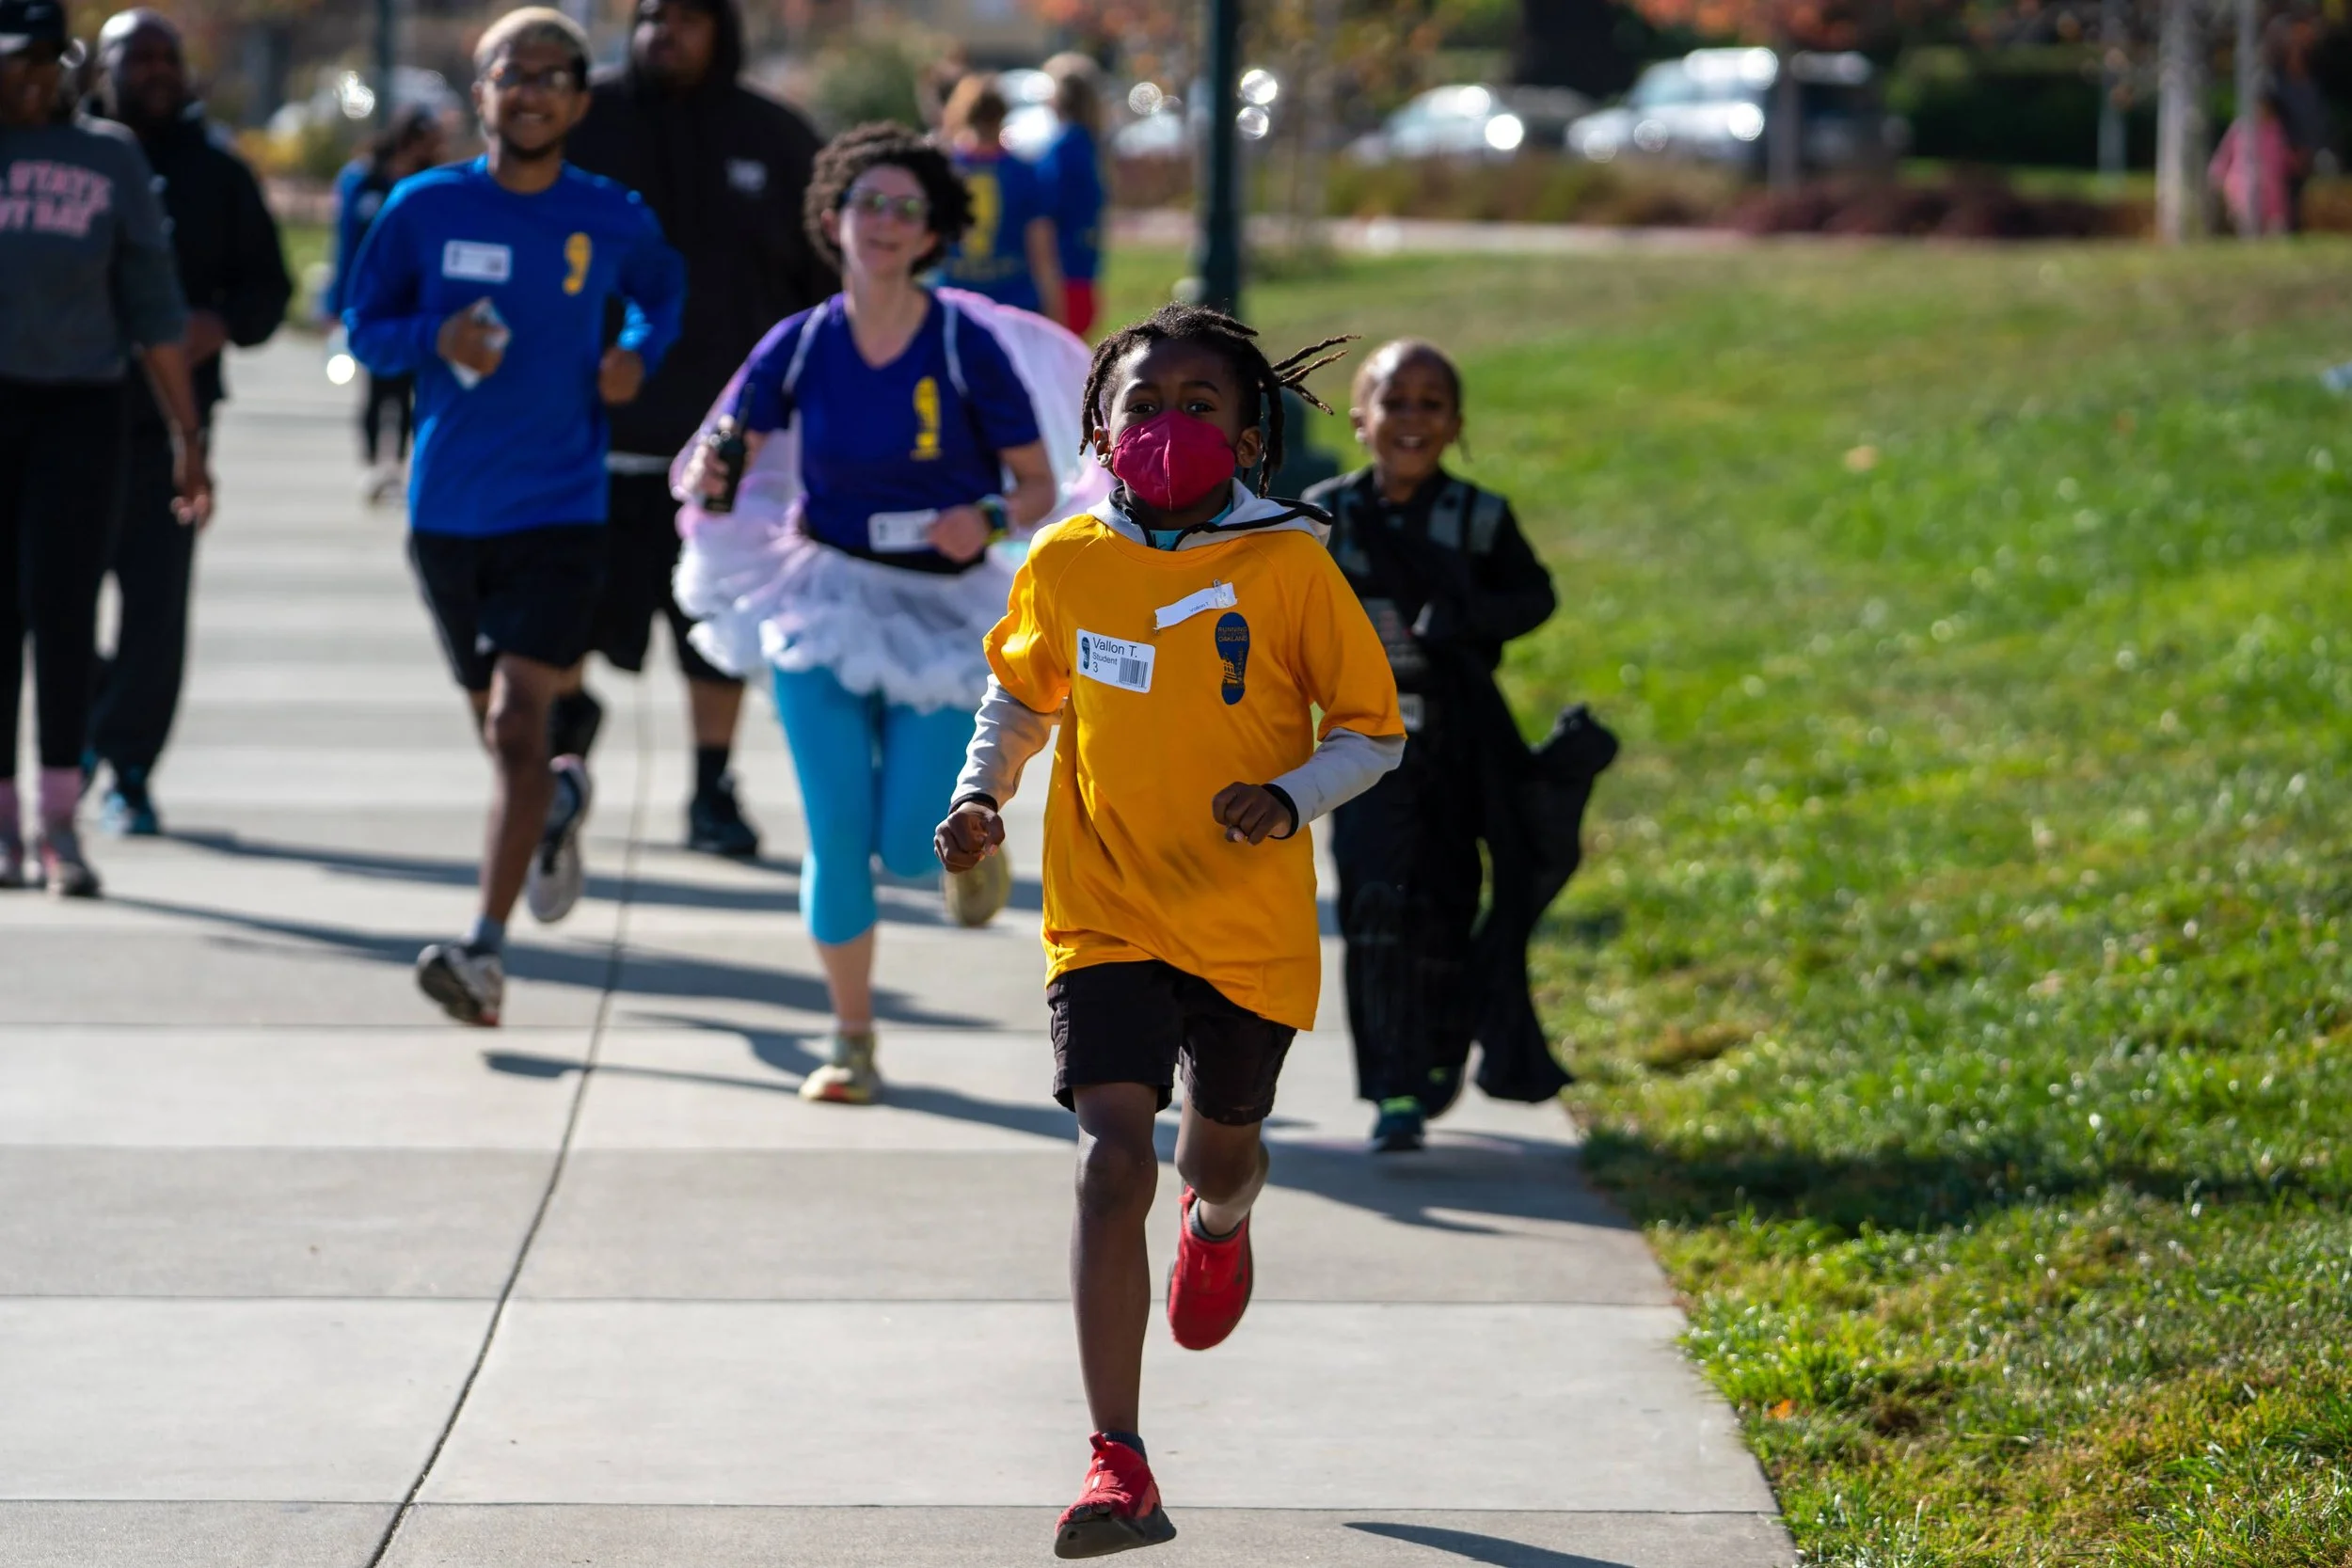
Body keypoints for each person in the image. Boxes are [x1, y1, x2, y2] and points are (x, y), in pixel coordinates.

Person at [933, 304, 1404, 1558]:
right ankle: (1118, 1457)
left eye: (1203, 405)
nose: (1168, 425)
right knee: (1109, 1157)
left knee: (1220, 1153)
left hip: (1246, 921)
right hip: (1105, 909)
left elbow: (1372, 728)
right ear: (1103, 426)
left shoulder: (1291, 565)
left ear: (1252, 442)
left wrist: (1292, 793)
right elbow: (1021, 693)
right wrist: (981, 792)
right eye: (1145, 404)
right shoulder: (1069, 558)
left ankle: (1224, 1224)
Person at [677, 122, 1062, 1102]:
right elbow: (729, 455)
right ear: (833, 218)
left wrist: (982, 518)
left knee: (904, 843)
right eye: (867, 204)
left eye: (905, 209)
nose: (884, 224)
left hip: (943, 610)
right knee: (837, 833)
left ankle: (965, 840)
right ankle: (851, 1038)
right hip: (826, 598)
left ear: (932, 232)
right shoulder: (800, 341)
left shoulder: (960, 341)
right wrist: (720, 470)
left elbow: (1032, 486)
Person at [342, 7, 685, 1026]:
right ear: (478, 89)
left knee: (513, 721)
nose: (530, 89)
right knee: (510, 747)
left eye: (552, 74)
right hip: (447, 508)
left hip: (563, 505)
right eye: (510, 71)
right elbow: (363, 327)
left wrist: (636, 351)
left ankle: (484, 952)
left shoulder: (609, 214)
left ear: (579, 100)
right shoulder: (422, 206)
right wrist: (435, 334)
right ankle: (556, 803)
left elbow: (661, 294)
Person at [564, 0, 834, 858]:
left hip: (729, 455)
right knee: (563, 625)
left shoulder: (775, 137)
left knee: (712, 636)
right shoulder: (583, 122)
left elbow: (821, 292)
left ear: (720, 28)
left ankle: (711, 789)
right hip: (588, 442)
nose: (662, 32)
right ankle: (560, 771)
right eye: (647, 14)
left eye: (682, 16)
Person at [1301, 340, 1557, 1152]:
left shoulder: (1478, 518)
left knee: (1446, 906)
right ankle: (1393, 1089)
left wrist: (1469, 618)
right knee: (1375, 907)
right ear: (1359, 417)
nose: (1411, 419)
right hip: (1362, 753)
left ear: (1454, 422)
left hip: (1456, 748)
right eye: (1394, 400)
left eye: (1431, 404)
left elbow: (1534, 595)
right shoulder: (1322, 517)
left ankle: (1441, 1055)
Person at [1, 0, 209, 896]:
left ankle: (59, 817)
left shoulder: (107, 157)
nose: (33, 77)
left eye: (48, 59)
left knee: (65, 611)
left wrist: (187, 435)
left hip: (82, 409)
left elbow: (155, 304)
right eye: (16, 60)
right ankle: (2, 822)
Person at [83, 8, 289, 839]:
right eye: (140, 58)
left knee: (155, 606)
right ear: (103, 68)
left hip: (172, 427)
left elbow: (269, 294)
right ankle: (91, 719)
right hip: (61, 414)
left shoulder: (218, 175)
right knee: (47, 596)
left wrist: (218, 323)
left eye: (169, 57)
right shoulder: (62, 159)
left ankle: (128, 768)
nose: (158, 71)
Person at [325, 105, 447, 502]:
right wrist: (336, 303)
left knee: (411, 387)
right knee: (377, 387)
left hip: (420, 304)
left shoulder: (432, 184)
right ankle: (377, 464)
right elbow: (345, 244)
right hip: (374, 301)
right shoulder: (363, 179)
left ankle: (404, 467)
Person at [937, 73, 1063, 325]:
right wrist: (1056, 315)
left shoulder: (944, 171)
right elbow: (1042, 251)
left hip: (955, 304)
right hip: (1014, 306)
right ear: (1003, 116)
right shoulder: (1024, 172)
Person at [1038, 53, 1105, 338]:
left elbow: (1043, 214)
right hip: (1085, 278)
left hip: (1060, 282)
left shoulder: (1062, 149)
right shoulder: (1090, 144)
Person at [2209, 92, 2294, 238]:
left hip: (2271, 187)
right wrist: (2217, 175)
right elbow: (2225, 153)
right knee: (2246, 218)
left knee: (2275, 224)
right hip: (2242, 183)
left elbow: (2283, 155)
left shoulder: (2276, 129)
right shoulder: (2242, 127)